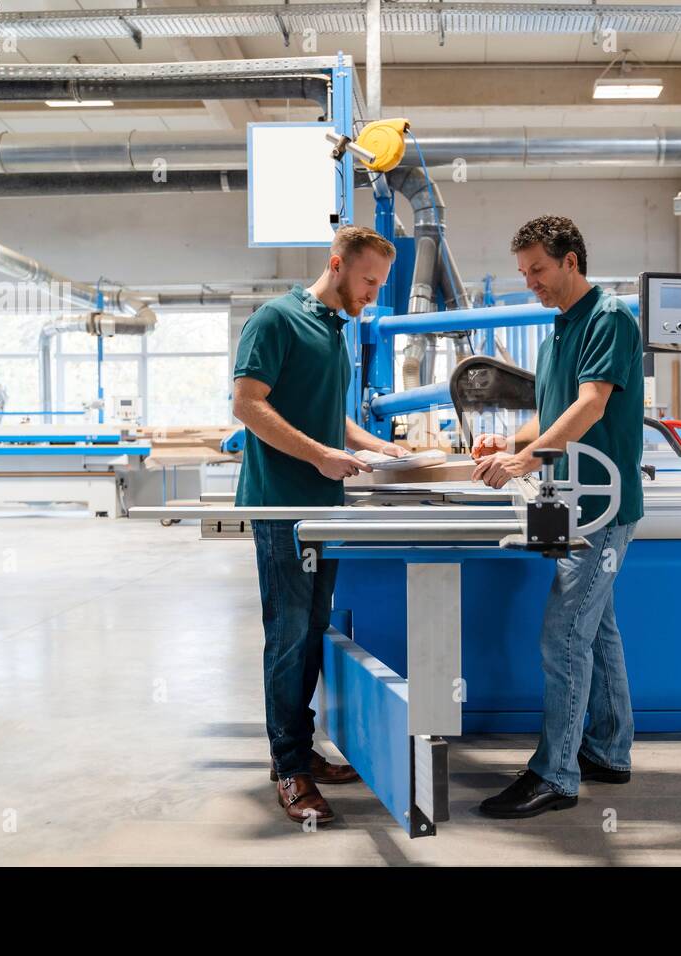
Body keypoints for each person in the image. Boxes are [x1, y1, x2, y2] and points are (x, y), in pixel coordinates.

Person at [232, 225, 406, 826]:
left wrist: (380, 449)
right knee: (287, 636)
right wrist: (318, 456)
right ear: (337, 265)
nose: (373, 295)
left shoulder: (336, 331)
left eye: (379, 284)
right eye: (367, 281)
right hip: (283, 506)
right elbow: (248, 405)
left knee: (311, 630)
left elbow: (330, 420)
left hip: (323, 506)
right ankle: (287, 767)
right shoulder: (276, 320)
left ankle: (301, 749)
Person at [472, 215, 644, 819]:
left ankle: (555, 774)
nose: (531, 283)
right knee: (597, 633)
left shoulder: (610, 319)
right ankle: (607, 750)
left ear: (571, 260)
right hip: (570, 504)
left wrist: (525, 460)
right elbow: (552, 416)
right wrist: (506, 443)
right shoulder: (556, 334)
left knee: (564, 634)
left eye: (538, 270)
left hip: (601, 508)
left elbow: (592, 405)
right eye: (524, 273)